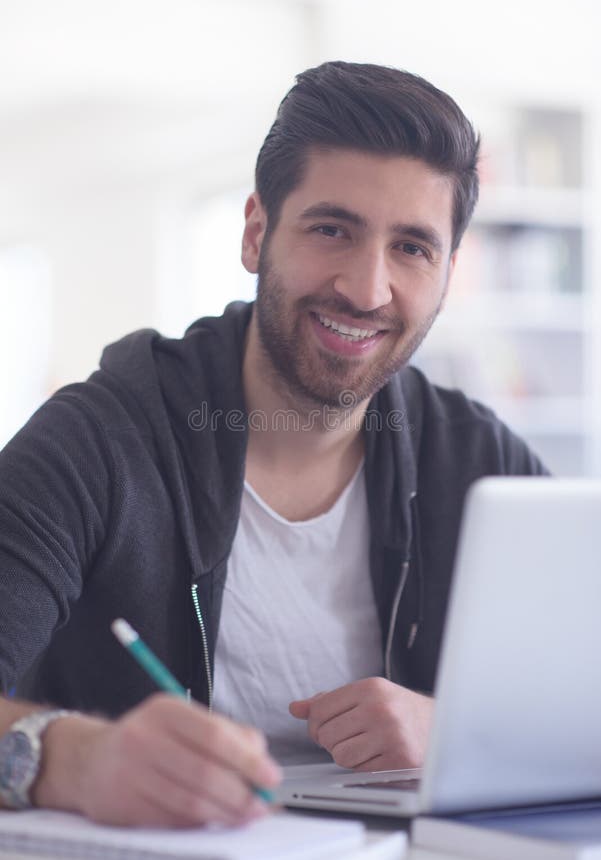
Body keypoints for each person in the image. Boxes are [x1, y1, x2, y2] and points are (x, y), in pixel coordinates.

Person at [0, 61, 546, 828]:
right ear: (257, 232)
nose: (365, 289)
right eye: (332, 229)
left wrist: (457, 731)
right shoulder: (101, 441)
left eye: (411, 248)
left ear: (448, 272)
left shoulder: (479, 464)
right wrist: (75, 759)